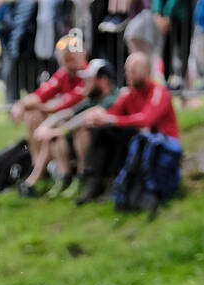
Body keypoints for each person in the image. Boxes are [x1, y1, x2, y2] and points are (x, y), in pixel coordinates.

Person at [75, 52, 179, 205]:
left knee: (122, 131)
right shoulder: (130, 95)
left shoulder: (159, 92)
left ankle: (115, 181)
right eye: (127, 71)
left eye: (133, 71)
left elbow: (145, 120)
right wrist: (99, 117)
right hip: (141, 141)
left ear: (146, 71)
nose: (128, 75)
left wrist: (111, 120)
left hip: (161, 145)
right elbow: (112, 114)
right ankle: (95, 182)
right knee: (103, 129)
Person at [31, 58, 119, 199]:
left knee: (80, 131)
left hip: (109, 152)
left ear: (103, 80)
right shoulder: (92, 99)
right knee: (56, 135)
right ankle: (64, 178)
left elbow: (88, 115)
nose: (86, 84)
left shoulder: (114, 98)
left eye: (90, 80)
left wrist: (61, 130)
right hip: (93, 149)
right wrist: (45, 126)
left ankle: (83, 177)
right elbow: (69, 112)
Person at [11, 34, 87, 195]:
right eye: (65, 61)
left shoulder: (87, 75)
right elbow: (40, 94)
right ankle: (39, 168)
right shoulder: (64, 73)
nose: (67, 65)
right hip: (64, 120)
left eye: (70, 59)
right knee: (35, 115)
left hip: (79, 122)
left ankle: (36, 178)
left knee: (49, 125)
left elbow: (63, 105)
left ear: (82, 55)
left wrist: (31, 106)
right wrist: (21, 105)